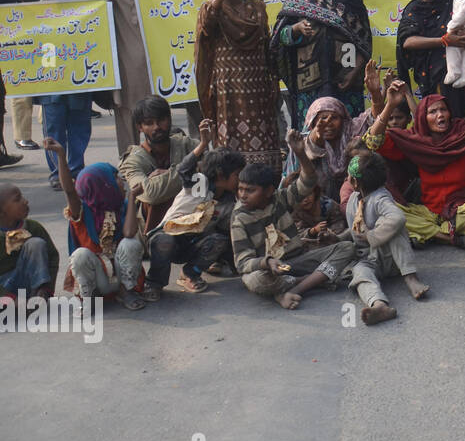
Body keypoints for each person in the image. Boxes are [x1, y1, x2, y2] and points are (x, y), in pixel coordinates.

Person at [2, 0, 93, 182]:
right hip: (50, 62)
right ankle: (58, 172)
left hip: (81, 62)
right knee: (53, 122)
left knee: (79, 122)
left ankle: (74, 170)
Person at [369, 76, 465, 249]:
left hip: (461, 209)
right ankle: (448, 236)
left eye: (443, 110)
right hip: (426, 211)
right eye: (433, 112)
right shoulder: (415, 141)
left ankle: (426, 234)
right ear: (423, 118)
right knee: (390, 210)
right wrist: (389, 105)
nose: (440, 115)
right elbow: (373, 142)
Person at [232, 129, 356, 310]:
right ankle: (314, 279)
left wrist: (300, 153)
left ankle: (295, 289)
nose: (243, 195)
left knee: (347, 248)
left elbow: (309, 181)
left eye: (250, 190)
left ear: (268, 191)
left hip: (296, 259)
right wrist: (266, 262)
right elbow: (242, 262)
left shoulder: (280, 199)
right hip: (269, 270)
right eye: (241, 189)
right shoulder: (239, 217)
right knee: (256, 281)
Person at [270, 0, 372, 125]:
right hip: (309, 81)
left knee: (348, 129)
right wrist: (296, 29)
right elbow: (280, 37)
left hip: (345, 77)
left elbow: (364, 41)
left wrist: (354, 72)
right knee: (314, 131)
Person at [118, 98, 206, 299]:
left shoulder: (184, 145)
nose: (157, 127)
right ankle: (155, 281)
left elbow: (213, 168)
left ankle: (190, 273)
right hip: (156, 232)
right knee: (164, 240)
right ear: (140, 127)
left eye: (161, 120)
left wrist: (165, 176)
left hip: (191, 225)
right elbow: (150, 193)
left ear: (169, 119)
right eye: (149, 123)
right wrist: (189, 166)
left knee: (217, 236)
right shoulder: (132, 160)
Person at [195, 0, 281, 168]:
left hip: (258, 82)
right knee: (231, 130)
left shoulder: (257, 5)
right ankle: (233, 173)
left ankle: (266, 174)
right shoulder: (212, 7)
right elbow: (206, 25)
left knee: (264, 126)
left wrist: (273, 78)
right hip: (228, 85)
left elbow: (266, 41)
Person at [84, 0, 155, 155]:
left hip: (153, 65)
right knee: (129, 119)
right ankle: (131, 169)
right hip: (126, 67)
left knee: (155, 118)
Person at [50, 152, 145, 310]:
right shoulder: (81, 211)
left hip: (121, 274)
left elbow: (129, 233)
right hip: (96, 277)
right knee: (80, 255)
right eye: (115, 178)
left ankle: (127, 291)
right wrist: (61, 155)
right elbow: (69, 191)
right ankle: (89, 298)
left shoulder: (121, 206)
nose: (121, 181)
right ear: (103, 185)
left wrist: (132, 198)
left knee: (131, 244)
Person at [345, 151, 429, 326]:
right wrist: (336, 237)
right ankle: (379, 304)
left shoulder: (380, 198)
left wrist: (371, 235)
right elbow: (354, 230)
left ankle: (411, 278)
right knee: (360, 273)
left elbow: (398, 217)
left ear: (354, 182)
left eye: (349, 176)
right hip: (370, 260)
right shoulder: (353, 200)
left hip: (390, 258)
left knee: (393, 227)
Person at [149, 146, 245, 292]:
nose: (240, 180)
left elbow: (230, 233)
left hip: (192, 245)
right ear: (220, 174)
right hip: (168, 238)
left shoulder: (229, 201)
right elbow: (184, 170)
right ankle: (154, 284)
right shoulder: (199, 185)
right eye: (237, 175)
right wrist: (202, 145)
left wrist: (239, 266)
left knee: (220, 240)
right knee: (165, 241)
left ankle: (189, 274)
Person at [0, 180, 56, 299]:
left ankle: (38, 295)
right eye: (17, 199)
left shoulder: (33, 227)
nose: (25, 201)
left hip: (29, 285)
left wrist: (47, 289)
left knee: (36, 244)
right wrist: (12, 301)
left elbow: (52, 257)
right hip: (4, 290)